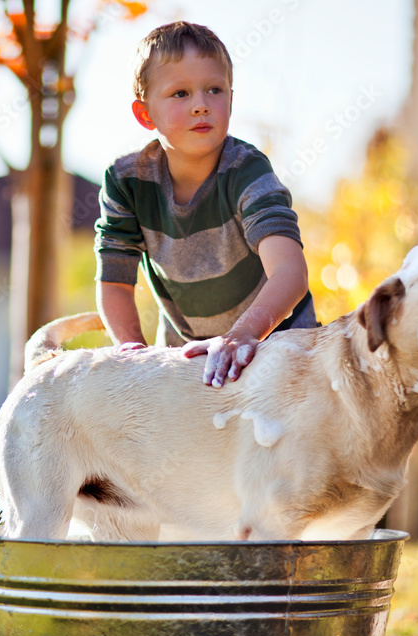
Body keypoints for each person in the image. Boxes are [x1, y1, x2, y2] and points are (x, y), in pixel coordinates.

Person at [95, 21, 318, 387]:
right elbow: (115, 281)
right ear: (145, 114)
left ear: (231, 96)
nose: (201, 105)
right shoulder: (127, 182)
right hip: (188, 353)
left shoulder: (246, 170)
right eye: (180, 94)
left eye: (214, 90)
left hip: (278, 341)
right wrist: (134, 352)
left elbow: (290, 272)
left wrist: (243, 335)